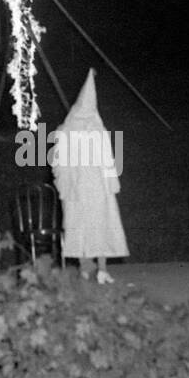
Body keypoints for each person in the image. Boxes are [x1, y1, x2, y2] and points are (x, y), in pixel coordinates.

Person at [50, 68, 128, 284]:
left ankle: (101, 268)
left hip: (97, 186)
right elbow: (58, 160)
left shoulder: (96, 126)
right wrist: (66, 182)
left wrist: (110, 182)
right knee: (81, 225)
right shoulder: (68, 129)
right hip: (79, 186)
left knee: (100, 224)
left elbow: (107, 157)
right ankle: (86, 267)